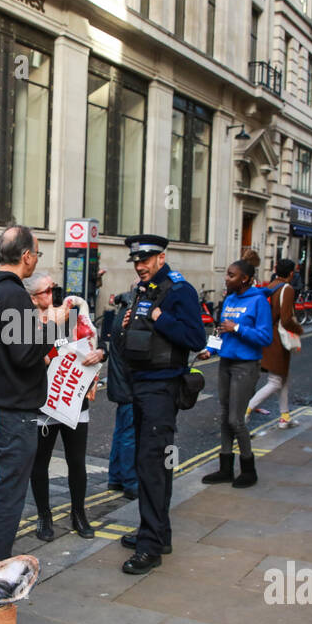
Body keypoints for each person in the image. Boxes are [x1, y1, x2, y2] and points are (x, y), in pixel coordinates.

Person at [0, 227, 72, 559]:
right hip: (14, 414)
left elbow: (3, 349)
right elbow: (25, 354)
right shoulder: (12, 295)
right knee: (8, 496)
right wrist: (54, 324)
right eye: (37, 255)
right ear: (26, 256)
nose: (35, 260)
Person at [116, 234, 207, 574]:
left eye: (145, 260)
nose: (140, 266)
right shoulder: (144, 289)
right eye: (136, 261)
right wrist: (125, 327)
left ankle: (150, 547)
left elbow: (197, 338)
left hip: (162, 389)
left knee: (152, 466)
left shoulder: (178, 291)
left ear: (161, 257)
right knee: (148, 464)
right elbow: (136, 342)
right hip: (142, 386)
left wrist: (159, 317)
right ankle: (157, 532)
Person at [24, 273, 104, 541]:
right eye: (48, 291)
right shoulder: (26, 323)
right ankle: (44, 517)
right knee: (40, 464)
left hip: (74, 401)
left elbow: (88, 344)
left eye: (54, 289)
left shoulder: (69, 317)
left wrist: (99, 354)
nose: (54, 295)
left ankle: (79, 514)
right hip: (43, 406)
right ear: (34, 298)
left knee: (77, 461)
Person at [200, 260, 272, 488]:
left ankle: (249, 470)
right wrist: (209, 350)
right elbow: (220, 331)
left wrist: (238, 328)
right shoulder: (230, 299)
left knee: (236, 419)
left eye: (231, 275)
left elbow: (265, 337)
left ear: (245, 279)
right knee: (224, 418)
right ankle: (225, 469)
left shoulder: (258, 301)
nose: (226, 278)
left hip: (246, 366)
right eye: (227, 274)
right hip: (226, 362)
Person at [249, 258, 304, 430]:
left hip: (267, 334)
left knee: (282, 377)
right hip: (278, 338)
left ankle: (285, 416)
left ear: (275, 269)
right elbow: (286, 319)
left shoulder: (270, 286)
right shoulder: (287, 289)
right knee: (275, 381)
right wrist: (298, 329)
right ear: (290, 273)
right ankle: (247, 408)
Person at [103, 286, 138, 500]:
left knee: (121, 432)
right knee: (129, 435)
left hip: (119, 381)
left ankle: (115, 477)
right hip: (129, 383)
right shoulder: (131, 315)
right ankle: (130, 481)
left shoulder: (123, 309)